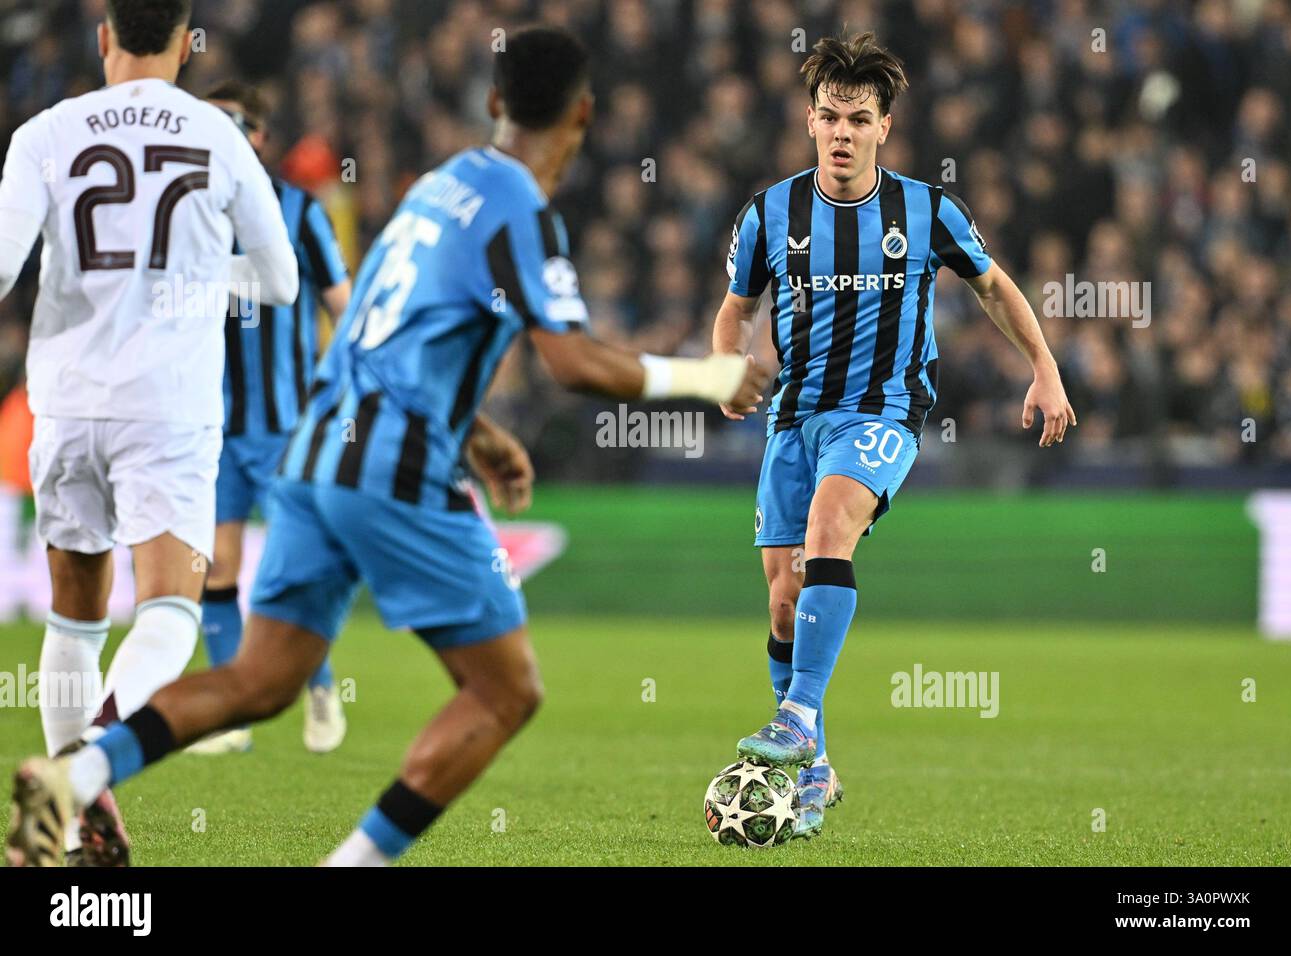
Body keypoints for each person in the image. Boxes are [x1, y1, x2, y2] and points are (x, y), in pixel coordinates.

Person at [7, 24, 767, 868]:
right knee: (507, 690)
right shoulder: (520, 208)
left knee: (260, 682)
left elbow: (371, 330)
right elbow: (574, 361)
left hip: (314, 453)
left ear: (493, 101)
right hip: (392, 465)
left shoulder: (438, 186)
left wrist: (474, 428)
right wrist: (709, 376)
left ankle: (76, 776)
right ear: (584, 114)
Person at [714, 31, 1077, 838]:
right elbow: (735, 311)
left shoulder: (927, 209)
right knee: (783, 600)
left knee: (827, 531)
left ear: (885, 127)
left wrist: (1044, 368)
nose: (842, 132)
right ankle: (815, 766)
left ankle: (798, 718)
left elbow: (994, 288)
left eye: (859, 119)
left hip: (881, 412)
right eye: (830, 116)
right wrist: (724, 366)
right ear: (810, 121)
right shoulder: (770, 213)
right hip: (794, 418)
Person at [0, 0, 297, 866]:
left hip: (66, 401)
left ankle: (69, 814)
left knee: (76, 616)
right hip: (166, 407)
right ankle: (86, 768)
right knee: (169, 613)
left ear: (104, 39)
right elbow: (279, 280)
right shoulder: (216, 136)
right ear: (184, 44)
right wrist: (193, 276)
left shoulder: (46, 133)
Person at [188, 80, 353, 756]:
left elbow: (344, 307)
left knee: (293, 568)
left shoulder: (300, 211)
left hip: (286, 424)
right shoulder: (184, 212)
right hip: (210, 425)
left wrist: (345, 389)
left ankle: (321, 686)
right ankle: (231, 715)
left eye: (234, 124)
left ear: (258, 136)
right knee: (216, 567)